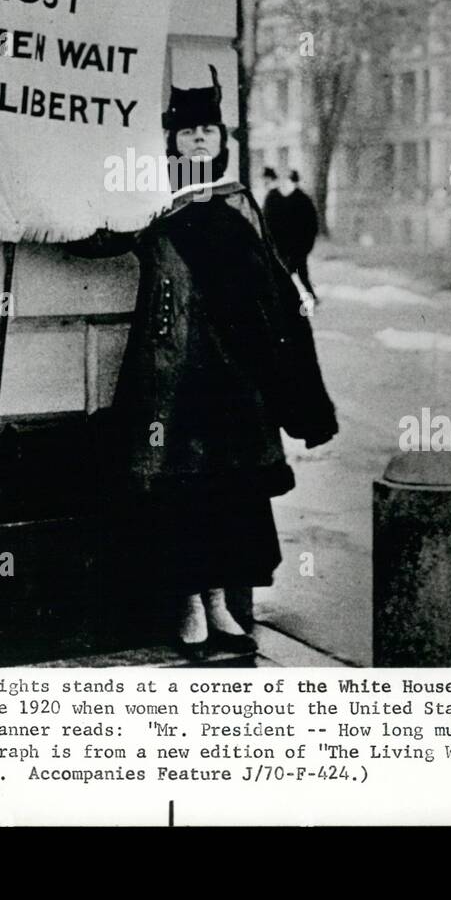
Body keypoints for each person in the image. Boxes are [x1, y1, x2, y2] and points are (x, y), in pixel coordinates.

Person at [74, 68, 338, 658]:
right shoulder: (150, 199)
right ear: (171, 141)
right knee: (179, 493)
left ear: (222, 140)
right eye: (188, 131)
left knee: (231, 493)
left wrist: (292, 325)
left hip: (234, 378)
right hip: (171, 376)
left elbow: (271, 280)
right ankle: (189, 605)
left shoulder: (238, 201)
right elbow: (96, 239)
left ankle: (220, 604)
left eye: (208, 131)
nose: (198, 139)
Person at [264, 168, 320, 307]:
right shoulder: (300, 198)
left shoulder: (276, 198)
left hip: (290, 246)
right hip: (292, 245)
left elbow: (271, 224)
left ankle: (290, 300)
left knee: (288, 273)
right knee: (297, 273)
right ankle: (306, 297)